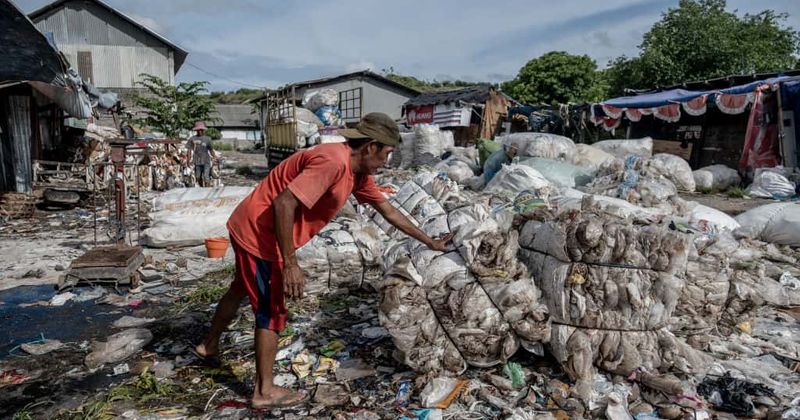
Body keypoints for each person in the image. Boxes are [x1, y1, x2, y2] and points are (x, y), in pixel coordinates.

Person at [195, 112, 451, 409]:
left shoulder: (357, 173)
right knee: (272, 311)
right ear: (370, 147)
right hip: (260, 236)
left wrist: (430, 241)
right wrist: (290, 264)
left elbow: (388, 210)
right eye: (387, 153)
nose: (387, 161)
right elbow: (284, 203)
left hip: (251, 225)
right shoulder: (333, 161)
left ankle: (208, 345)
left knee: (240, 288)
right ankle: (263, 392)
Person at [186, 121, 216, 187]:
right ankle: (201, 188)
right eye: (198, 130)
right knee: (197, 177)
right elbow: (189, 150)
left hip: (206, 160)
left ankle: (207, 189)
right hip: (197, 160)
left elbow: (211, 149)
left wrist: (215, 158)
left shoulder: (207, 139)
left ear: (203, 130)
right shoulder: (192, 139)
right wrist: (188, 160)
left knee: (206, 176)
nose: (199, 131)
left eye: (201, 130)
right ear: (196, 130)